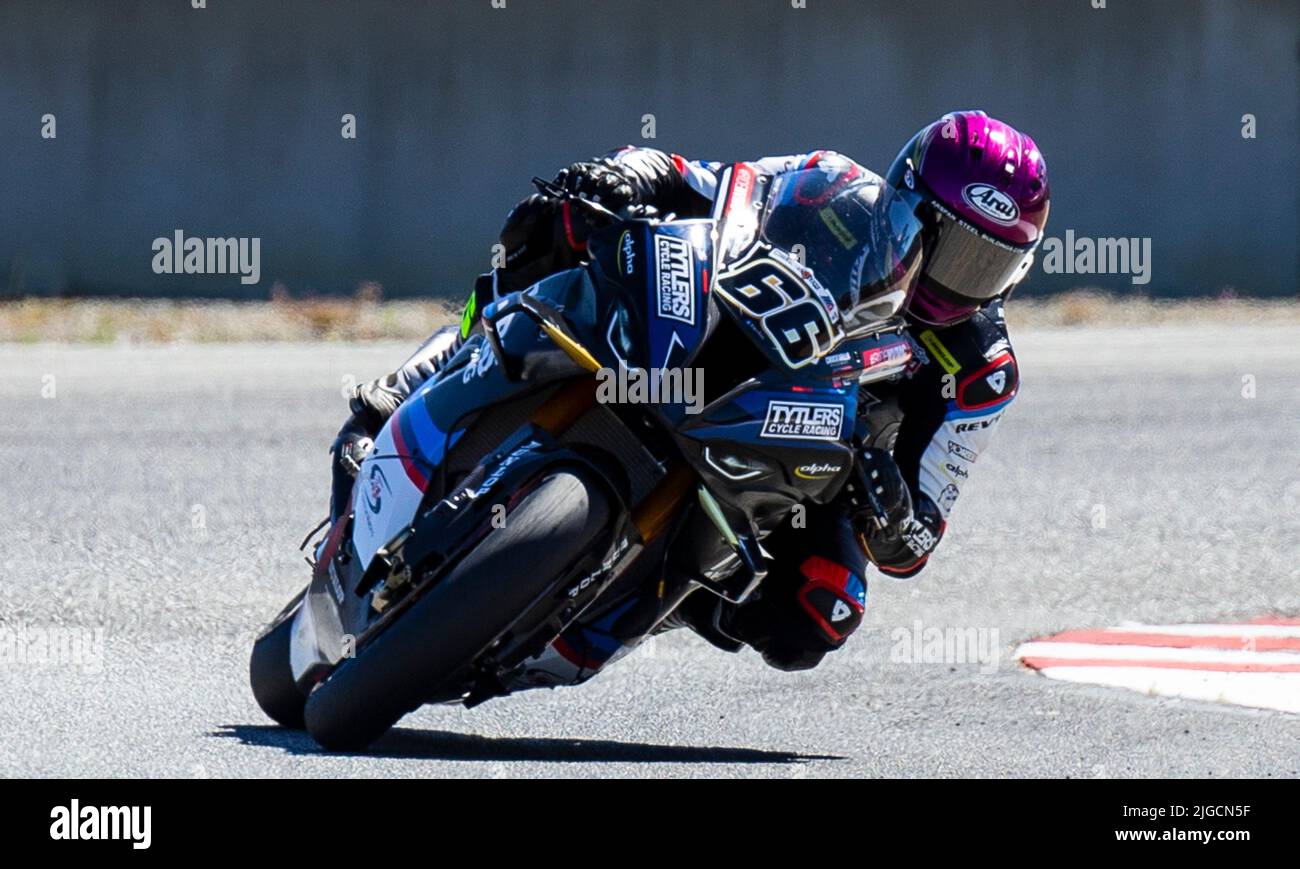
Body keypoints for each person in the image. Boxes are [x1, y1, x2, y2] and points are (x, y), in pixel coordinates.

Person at [330, 110, 1050, 671]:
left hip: (816, 471)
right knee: (562, 221)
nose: (959, 278)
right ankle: (423, 377)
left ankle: (667, 590)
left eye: (987, 263)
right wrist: (632, 176)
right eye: (953, 247)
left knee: (824, 607)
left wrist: (888, 506)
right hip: (716, 350)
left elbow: (915, 544)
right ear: (904, 201)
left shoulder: (981, 370)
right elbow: (707, 183)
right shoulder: (834, 189)